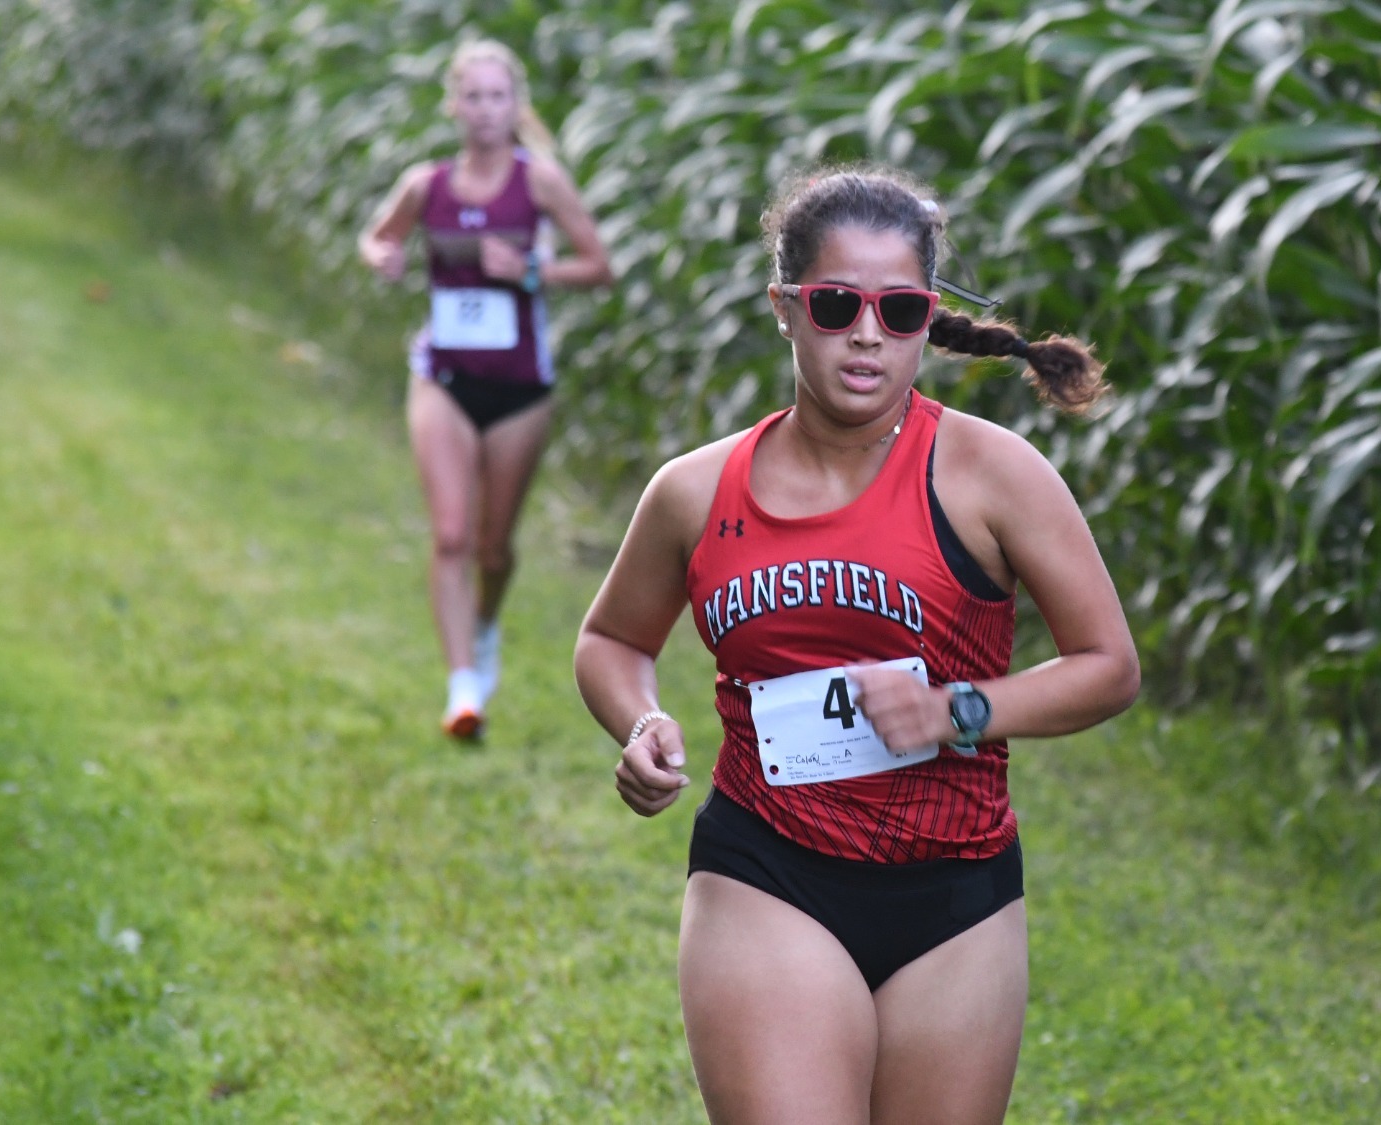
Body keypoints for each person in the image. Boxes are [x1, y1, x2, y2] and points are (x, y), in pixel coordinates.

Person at [574, 166, 1140, 1124]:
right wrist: (643, 722)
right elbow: (611, 638)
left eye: (901, 308)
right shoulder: (696, 490)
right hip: (769, 869)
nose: (868, 333)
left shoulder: (991, 472)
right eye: (837, 305)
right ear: (786, 308)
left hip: (957, 893)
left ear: (929, 318)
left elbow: (1110, 666)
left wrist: (960, 708)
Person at [359, 38, 614, 738]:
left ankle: (487, 622)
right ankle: (462, 687)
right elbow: (379, 237)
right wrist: (383, 255)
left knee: (493, 548)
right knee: (449, 535)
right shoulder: (427, 184)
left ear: (514, 104)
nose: (484, 109)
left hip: (520, 389)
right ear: (454, 105)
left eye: (497, 96)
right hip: (441, 377)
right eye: (471, 96)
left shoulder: (539, 183)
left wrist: (531, 271)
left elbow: (599, 265)